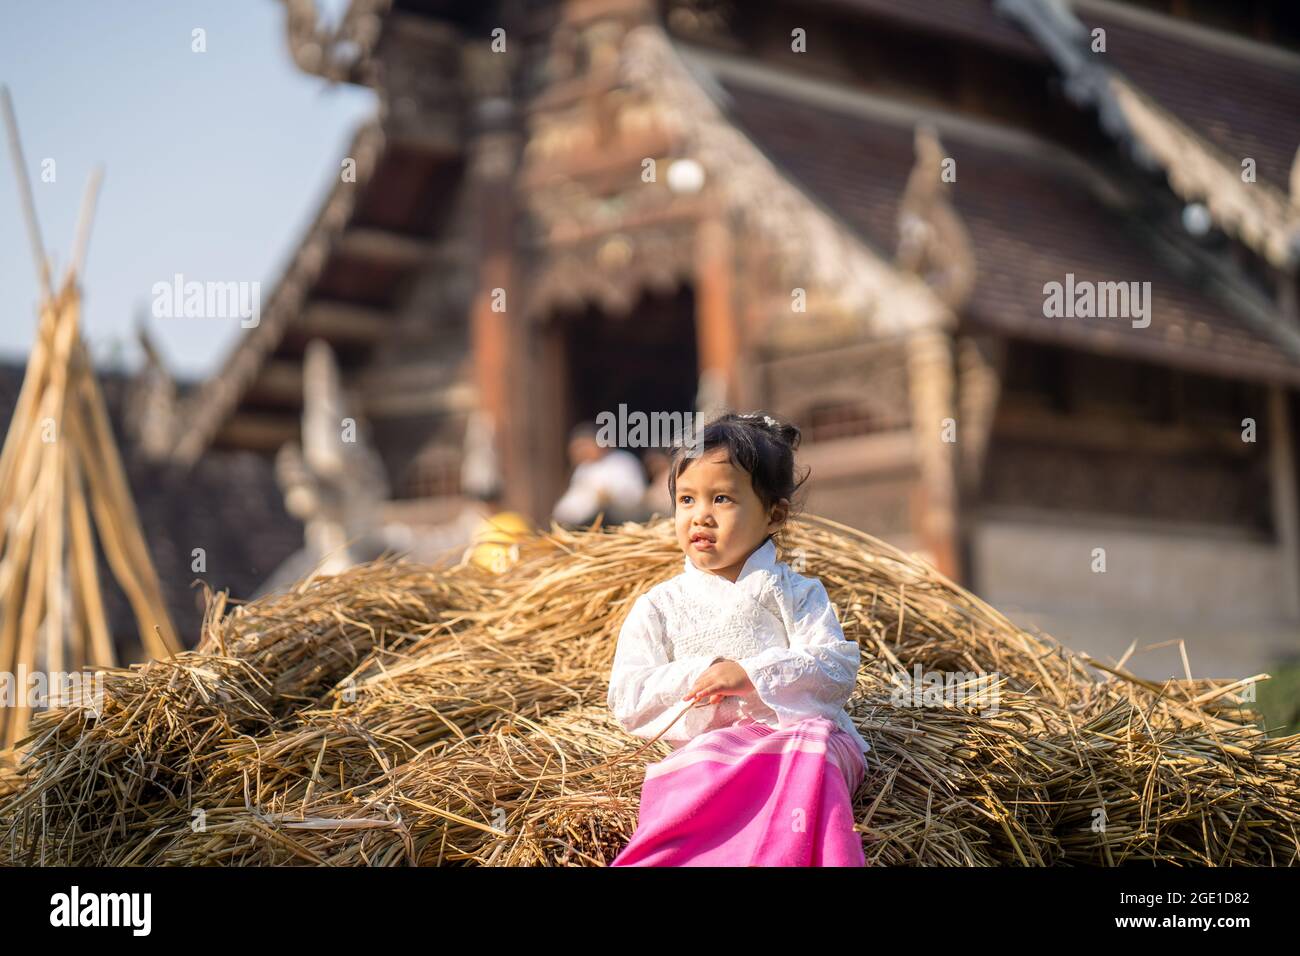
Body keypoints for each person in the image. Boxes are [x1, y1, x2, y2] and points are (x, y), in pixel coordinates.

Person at [606, 412, 870, 867]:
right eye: (686, 499)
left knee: (814, 743)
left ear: (774, 514)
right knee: (704, 763)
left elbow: (836, 667)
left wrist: (752, 674)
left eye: (722, 498)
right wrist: (697, 675)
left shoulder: (797, 593)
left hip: (793, 742)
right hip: (710, 754)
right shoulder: (659, 606)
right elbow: (627, 697)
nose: (700, 516)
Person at [551, 421, 647, 527]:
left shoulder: (622, 462)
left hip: (615, 523)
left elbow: (634, 496)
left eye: (583, 446)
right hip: (585, 523)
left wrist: (607, 496)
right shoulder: (583, 469)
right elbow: (573, 500)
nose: (579, 452)